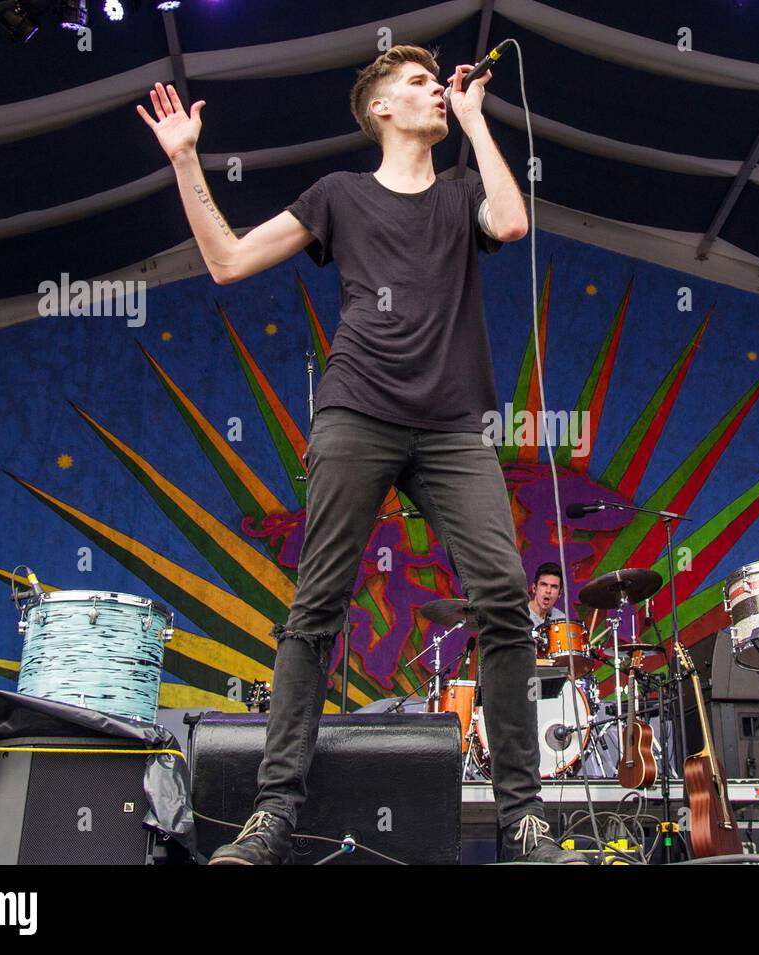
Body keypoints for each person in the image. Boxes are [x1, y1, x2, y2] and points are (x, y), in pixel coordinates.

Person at [137, 45, 583, 864]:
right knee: (318, 604)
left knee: (505, 596)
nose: (434, 92)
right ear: (380, 109)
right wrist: (186, 162)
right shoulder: (339, 195)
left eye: (435, 84)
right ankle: (272, 812)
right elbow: (227, 260)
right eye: (418, 83)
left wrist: (479, 120)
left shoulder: (459, 196)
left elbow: (513, 223)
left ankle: (524, 821)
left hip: (453, 425)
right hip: (359, 409)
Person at [527, 561, 566, 633]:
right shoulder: (521, 615)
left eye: (554, 586)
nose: (548, 590)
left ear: (560, 593)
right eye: (544, 584)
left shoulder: (562, 621)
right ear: (534, 588)